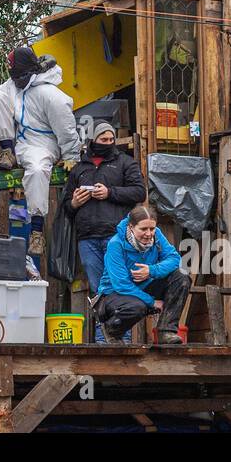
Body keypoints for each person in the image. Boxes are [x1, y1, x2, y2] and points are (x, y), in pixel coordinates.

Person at [0, 46, 80, 255]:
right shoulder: (12, 85)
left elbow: (66, 128)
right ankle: (6, 151)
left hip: (42, 144)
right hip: (19, 143)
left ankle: (36, 232)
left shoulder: (52, 95)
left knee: (38, 170)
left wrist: (71, 155)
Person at [60, 121, 147, 336]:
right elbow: (66, 206)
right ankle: (105, 336)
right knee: (98, 288)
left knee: (118, 285)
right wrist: (75, 203)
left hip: (115, 236)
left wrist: (110, 192)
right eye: (103, 140)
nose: (108, 143)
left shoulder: (125, 163)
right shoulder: (79, 169)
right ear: (94, 140)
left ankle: (120, 336)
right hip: (87, 238)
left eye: (111, 140)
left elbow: (139, 192)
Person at [94, 204, 189, 344]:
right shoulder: (116, 244)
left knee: (181, 277)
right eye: (143, 229)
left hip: (144, 287)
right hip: (114, 294)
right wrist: (151, 301)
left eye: (152, 228)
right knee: (137, 307)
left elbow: (174, 259)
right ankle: (112, 330)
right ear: (131, 227)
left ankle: (166, 331)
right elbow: (121, 284)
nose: (149, 234)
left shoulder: (157, 235)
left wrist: (151, 270)